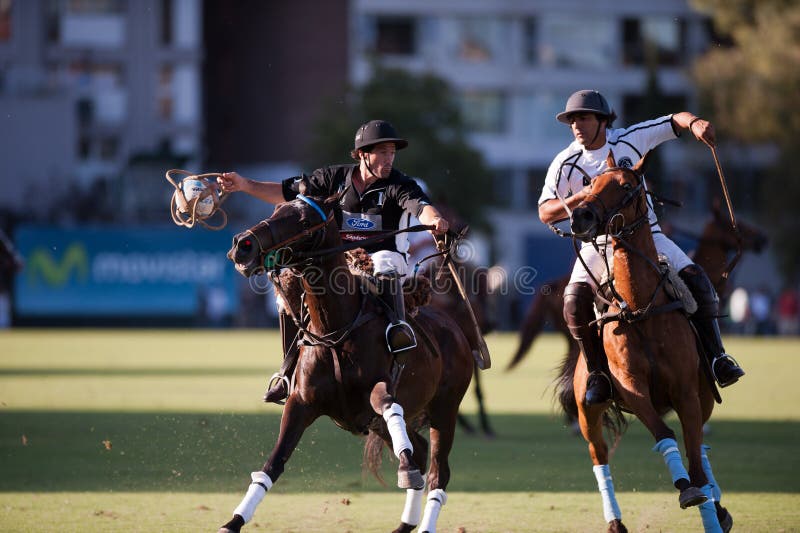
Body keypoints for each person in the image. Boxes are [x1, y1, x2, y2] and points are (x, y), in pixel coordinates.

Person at [218, 119, 450, 403]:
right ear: (363, 154)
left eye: (392, 153)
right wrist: (244, 184)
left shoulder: (400, 184)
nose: (389, 159)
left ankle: (398, 332)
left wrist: (435, 220)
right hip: (338, 261)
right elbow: (285, 193)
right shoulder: (332, 178)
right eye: (383, 153)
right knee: (287, 285)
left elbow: (421, 207)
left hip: (386, 256)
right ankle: (288, 370)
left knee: (384, 264)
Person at [538, 89, 745, 405]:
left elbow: (674, 121)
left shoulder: (629, 140)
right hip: (598, 244)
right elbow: (544, 211)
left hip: (648, 237)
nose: (576, 125)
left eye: (584, 118)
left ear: (603, 120)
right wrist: (581, 197)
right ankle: (597, 374)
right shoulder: (565, 162)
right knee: (572, 302)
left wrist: (696, 123)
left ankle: (718, 358)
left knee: (699, 281)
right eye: (572, 120)